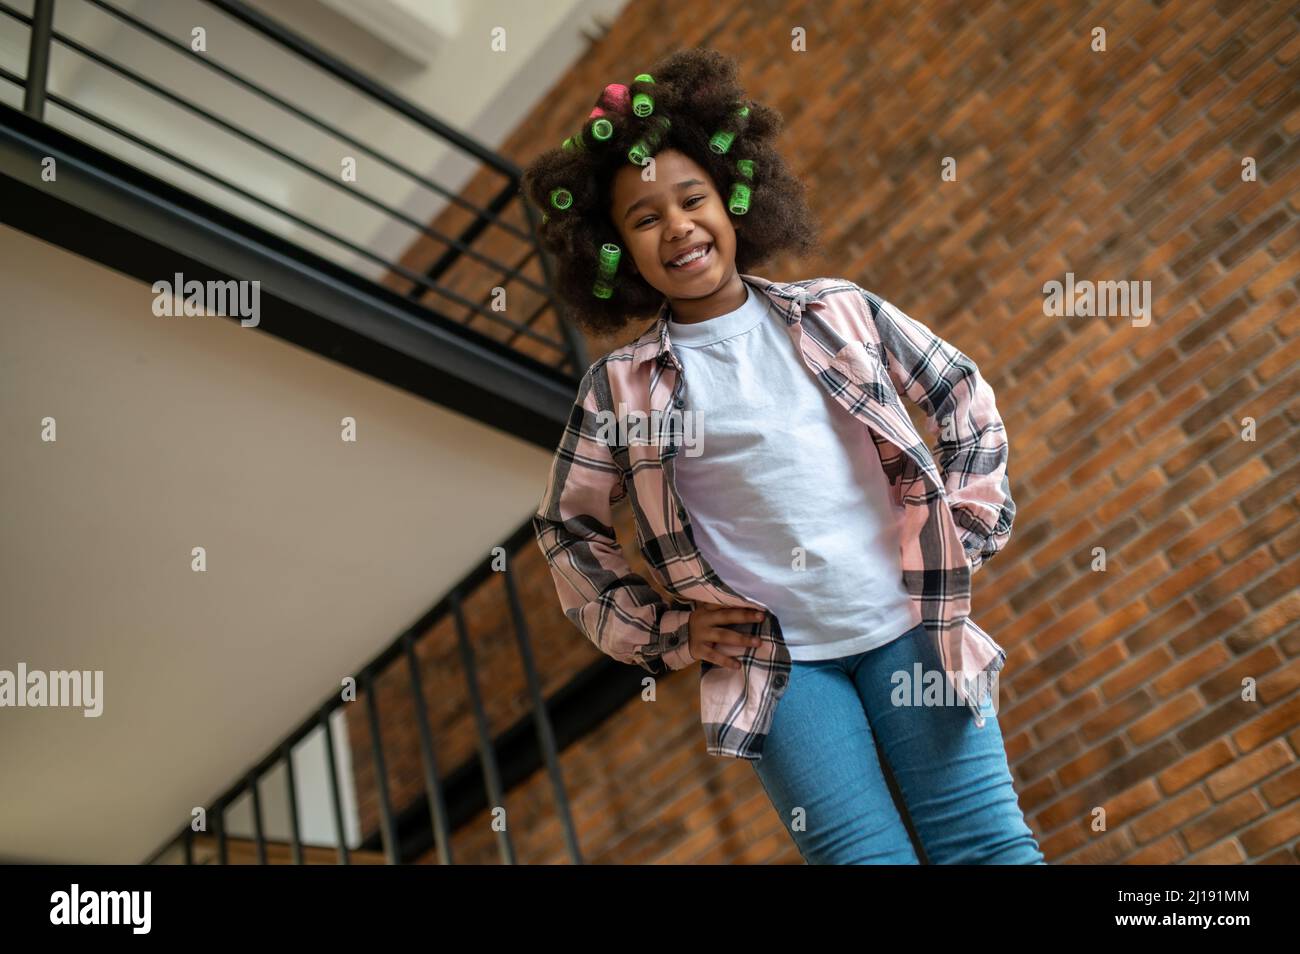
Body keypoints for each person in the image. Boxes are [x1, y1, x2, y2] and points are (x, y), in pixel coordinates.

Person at [524, 48, 1044, 865]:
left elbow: (960, 392)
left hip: (910, 626)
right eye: (645, 218)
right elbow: (566, 524)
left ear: (735, 201)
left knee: (985, 846)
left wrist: (963, 528)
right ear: (614, 248)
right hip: (781, 667)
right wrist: (664, 630)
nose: (679, 228)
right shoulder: (618, 389)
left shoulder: (838, 311)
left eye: (692, 199)